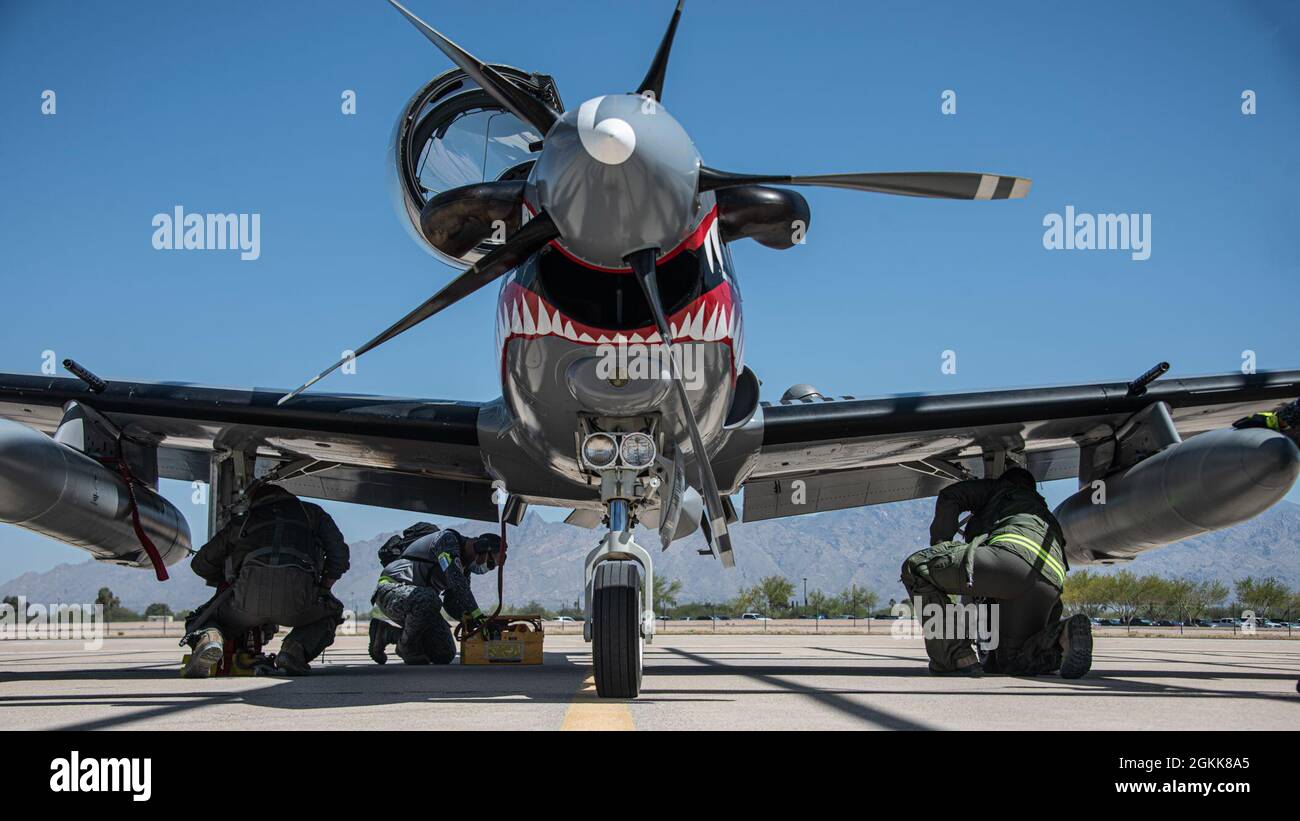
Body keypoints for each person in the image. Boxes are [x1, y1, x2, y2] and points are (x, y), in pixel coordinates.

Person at [900, 467, 1092, 678]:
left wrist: (940, 546)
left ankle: (955, 657)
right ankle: (1063, 634)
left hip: (1011, 561)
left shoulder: (1001, 489)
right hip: (1050, 584)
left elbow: (951, 495)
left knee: (917, 567)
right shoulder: (1045, 515)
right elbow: (1053, 599)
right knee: (1012, 661)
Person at [181, 483, 349, 677]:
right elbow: (340, 557)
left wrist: (228, 581)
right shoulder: (313, 514)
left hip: (244, 604)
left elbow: (200, 564)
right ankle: (294, 651)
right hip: (300, 603)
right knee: (331, 612)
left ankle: (210, 639)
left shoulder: (243, 521)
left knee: (201, 618)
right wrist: (323, 588)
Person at [368, 528, 500, 665]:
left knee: (444, 653)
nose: (486, 568)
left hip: (419, 602)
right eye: (490, 564)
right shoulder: (447, 540)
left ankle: (386, 633)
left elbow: (452, 603)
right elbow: (456, 580)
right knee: (430, 598)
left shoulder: (464, 570)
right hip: (391, 591)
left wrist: (469, 619)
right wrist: (477, 615)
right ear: (481, 548)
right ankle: (406, 646)